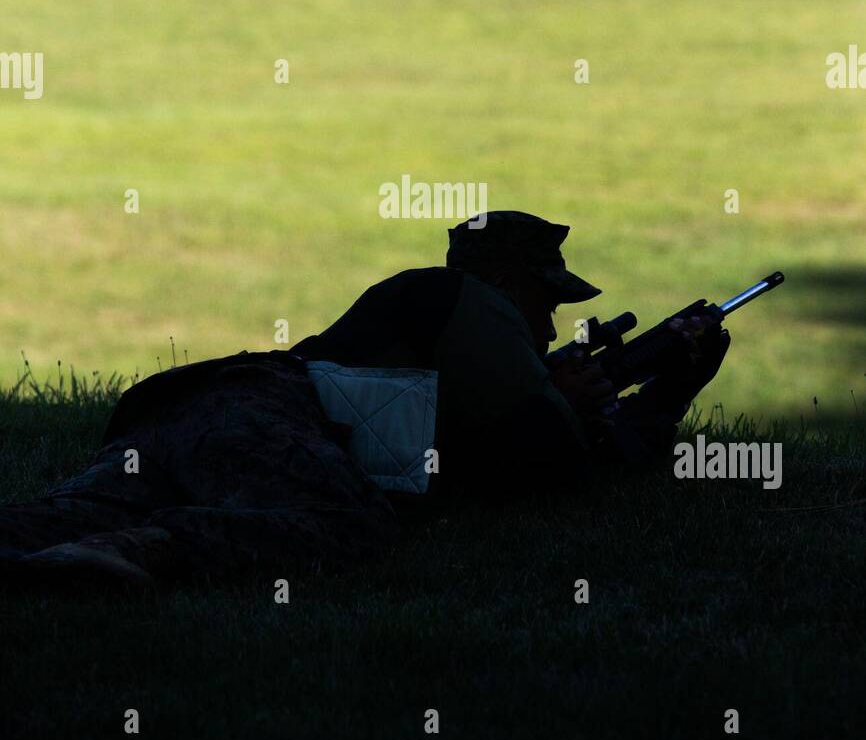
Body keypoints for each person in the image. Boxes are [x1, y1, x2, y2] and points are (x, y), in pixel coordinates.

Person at [0, 212, 728, 590]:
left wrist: (669, 387)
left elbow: (494, 463)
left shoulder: (440, 323)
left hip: (189, 408)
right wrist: (570, 405)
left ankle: (65, 544)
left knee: (71, 509)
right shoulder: (467, 300)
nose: (551, 327)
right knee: (345, 525)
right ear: (508, 287)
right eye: (546, 304)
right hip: (265, 413)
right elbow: (546, 462)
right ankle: (136, 551)